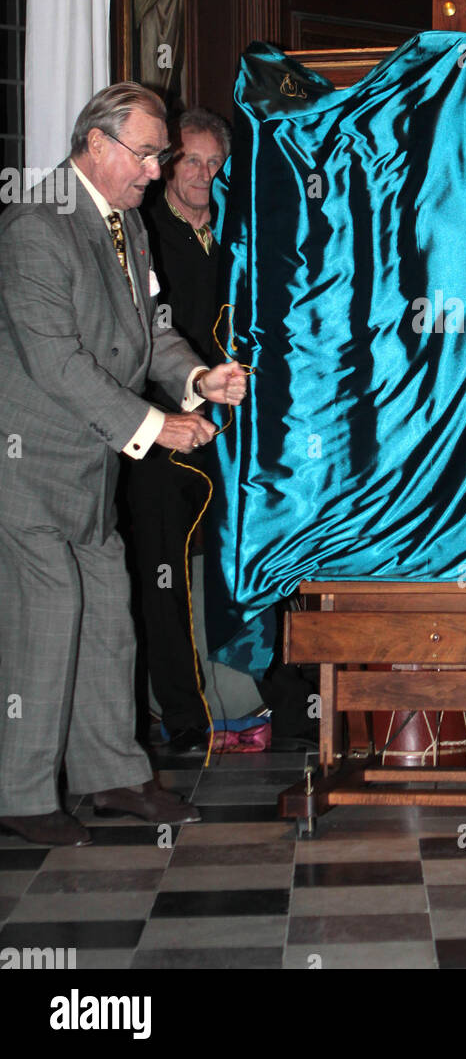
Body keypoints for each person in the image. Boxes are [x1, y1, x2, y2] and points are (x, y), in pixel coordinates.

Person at [0, 83, 247, 847]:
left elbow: (150, 329)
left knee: (111, 621)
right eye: (146, 154)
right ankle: (21, 791)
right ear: (97, 145)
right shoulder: (36, 225)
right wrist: (155, 426)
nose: (155, 169)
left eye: (159, 155)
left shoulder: (128, 225)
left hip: (91, 472)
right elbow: (56, 362)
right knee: (47, 622)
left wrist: (196, 379)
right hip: (28, 468)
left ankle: (112, 776)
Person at [124, 109, 229, 754]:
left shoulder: (237, 231)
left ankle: (267, 701)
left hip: (230, 427)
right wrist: (169, 415)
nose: (203, 175)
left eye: (214, 164)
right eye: (191, 160)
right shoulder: (144, 233)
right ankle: (183, 717)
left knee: (234, 563)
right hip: (159, 430)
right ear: (166, 164)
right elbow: (147, 340)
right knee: (162, 576)